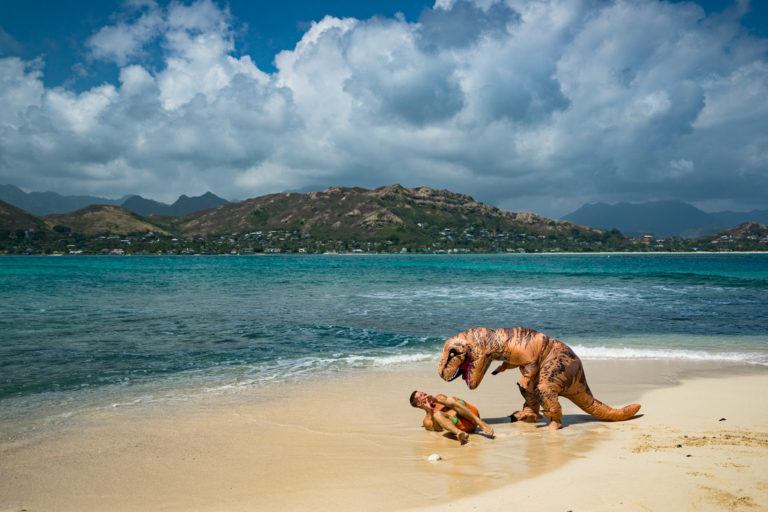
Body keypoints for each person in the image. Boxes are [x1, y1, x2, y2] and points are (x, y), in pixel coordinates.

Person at [409, 390, 494, 445]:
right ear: (419, 404)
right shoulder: (427, 420)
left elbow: (453, 402)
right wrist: (431, 411)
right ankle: (460, 434)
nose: (425, 393)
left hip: (472, 415)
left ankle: (481, 423)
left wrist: (436, 400)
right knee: (437, 414)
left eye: (423, 392)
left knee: (450, 399)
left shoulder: (438, 397)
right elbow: (438, 428)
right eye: (421, 395)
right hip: (463, 426)